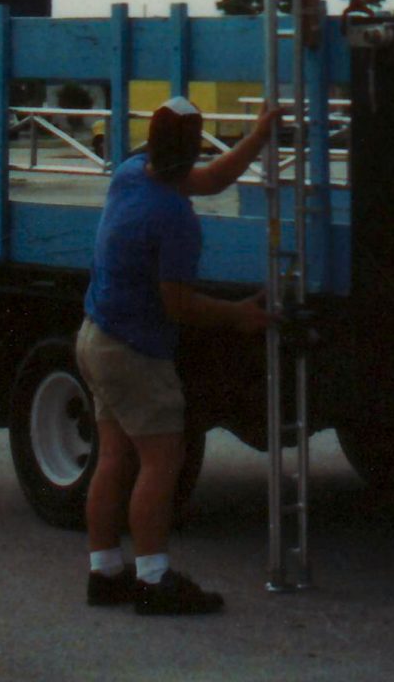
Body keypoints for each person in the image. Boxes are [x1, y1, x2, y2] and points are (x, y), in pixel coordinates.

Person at [76, 93, 276, 616]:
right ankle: (153, 580)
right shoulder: (173, 218)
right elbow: (178, 304)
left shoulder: (131, 173)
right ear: (190, 150)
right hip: (134, 351)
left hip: (96, 336)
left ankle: (105, 573)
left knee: (115, 456)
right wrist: (238, 315)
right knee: (162, 460)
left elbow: (208, 180)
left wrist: (257, 137)